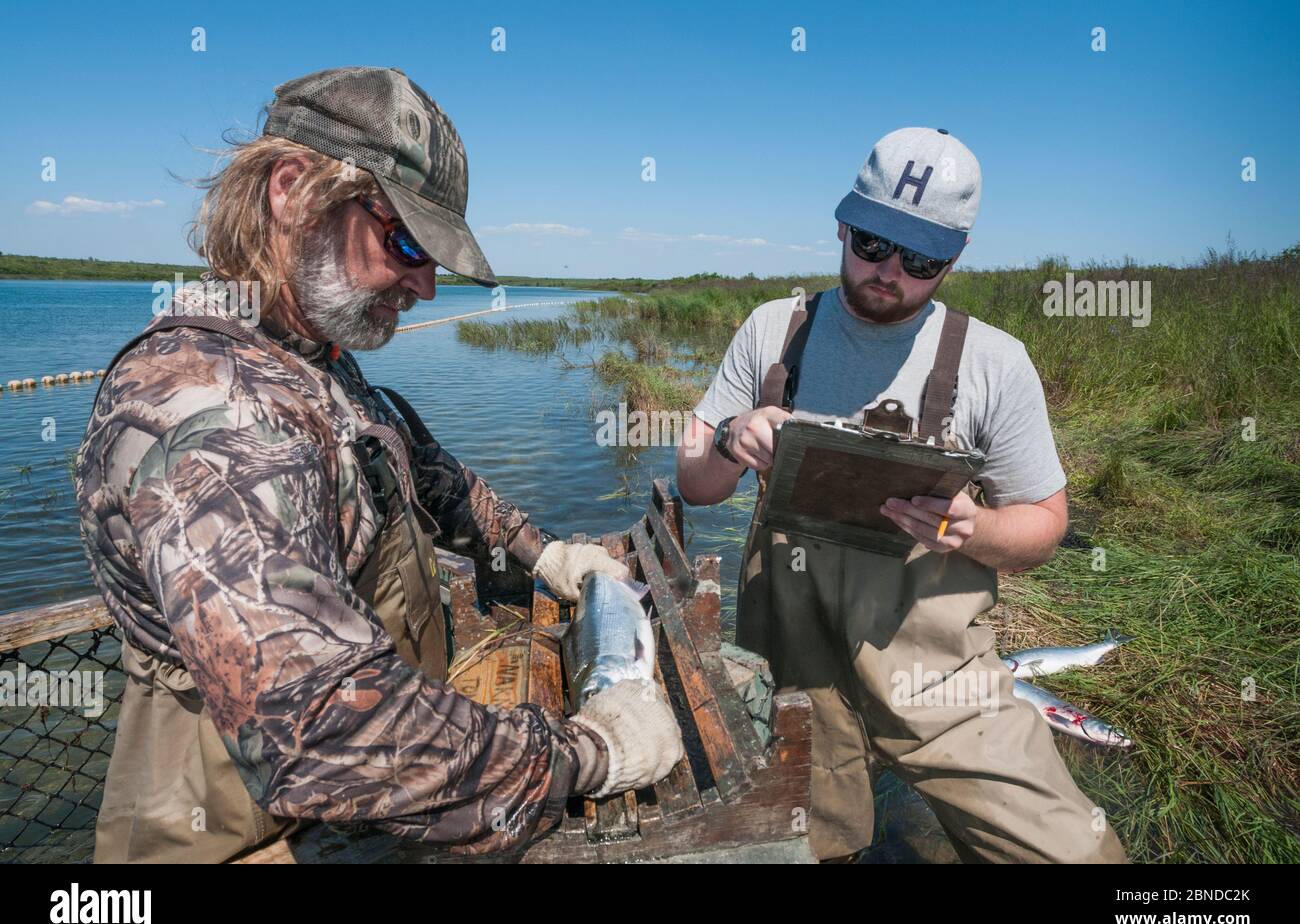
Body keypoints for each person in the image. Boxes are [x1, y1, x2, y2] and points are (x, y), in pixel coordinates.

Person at [75, 66, 681, 863]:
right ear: (292, 191)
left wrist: (547, 552)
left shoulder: (314, 364)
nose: (427, 285)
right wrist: (589, 752)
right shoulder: (207, 411)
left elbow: (432, 478)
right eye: (407, 242)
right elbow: (326, 727)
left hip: (380, 815)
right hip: (250, 838)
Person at [676, 127, 1127, 863]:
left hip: (946, 680)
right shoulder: (773, 330)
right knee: (805, 847)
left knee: (1079, 855)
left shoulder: (996, 364)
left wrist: (972, 528)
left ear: (953, 258)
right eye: (872, 244)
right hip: (797, 670)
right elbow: (693, 483)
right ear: (843, 224)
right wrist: (730, 438)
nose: (888, 272)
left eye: (919, 259)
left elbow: (1046, 524)